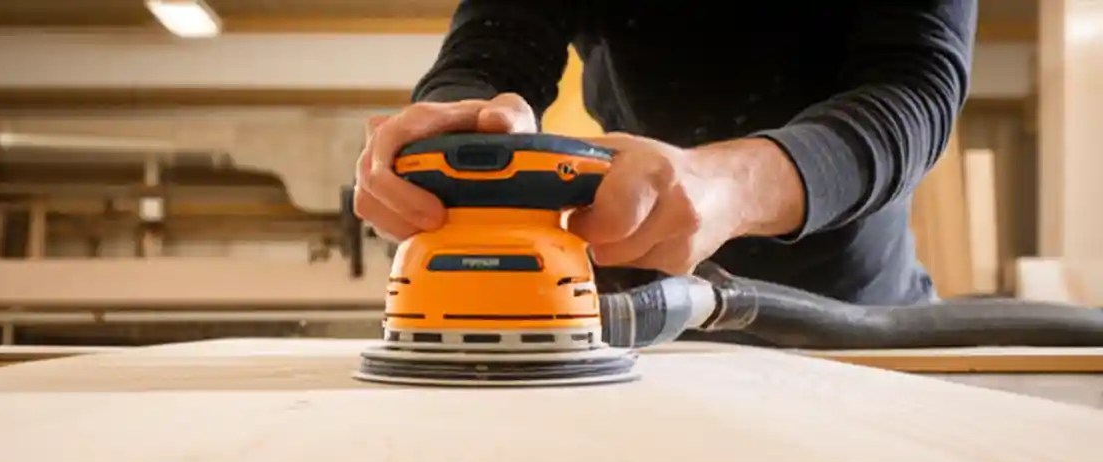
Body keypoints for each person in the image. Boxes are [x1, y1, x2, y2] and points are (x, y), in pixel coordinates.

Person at [352, 1, 977, 305]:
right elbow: (494, 51)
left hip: (847, 319)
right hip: (640, 305)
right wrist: (457, 125)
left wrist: (727, 185)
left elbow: (912, 89)